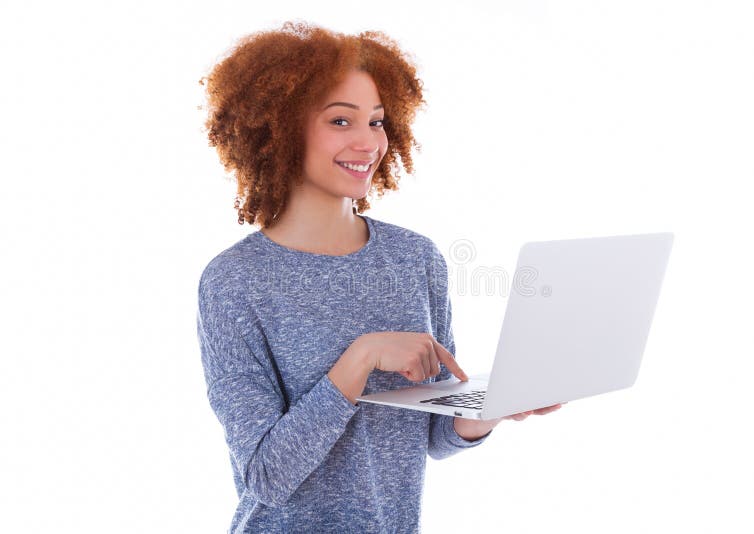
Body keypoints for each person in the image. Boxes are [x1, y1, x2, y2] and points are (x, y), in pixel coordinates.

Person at [196, 21, 563, 533]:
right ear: (278, 128)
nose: (369, 142)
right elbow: (266, 476)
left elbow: (433, 435)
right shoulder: (236, 282)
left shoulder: (415, 259)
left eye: (377, 120)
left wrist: (492, 407)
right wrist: (360, 360)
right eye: (342, 121)